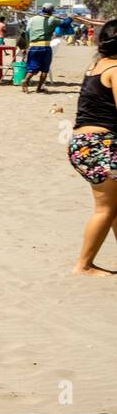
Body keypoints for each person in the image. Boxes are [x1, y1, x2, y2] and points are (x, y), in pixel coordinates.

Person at [68, 20, 117, 275]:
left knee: (113, 205)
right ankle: (84, 265)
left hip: (82, 145)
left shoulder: (95, 66)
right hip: (101, 145)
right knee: (106, 208)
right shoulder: (116, 69)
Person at [20, 5, 55, 93]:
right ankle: (38, 88)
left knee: (32, 68)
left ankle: (25, 80)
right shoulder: (51, 20)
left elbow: (27, 32)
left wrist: (27, 46)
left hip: (34, 47)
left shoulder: (32, 19)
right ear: (51, 11)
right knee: (45, 70)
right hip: (46, 47)